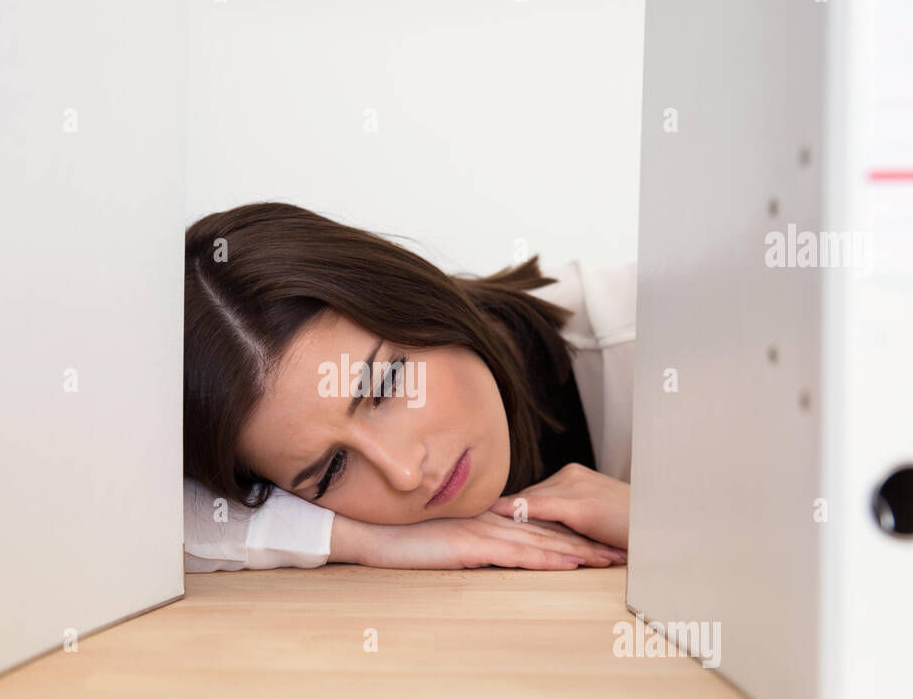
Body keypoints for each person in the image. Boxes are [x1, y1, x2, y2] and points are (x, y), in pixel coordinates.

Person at [182, 202, 635, 572]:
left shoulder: (650, 338)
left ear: (418, 299)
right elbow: (132, 530)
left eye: (386, 385)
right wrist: (364, 541)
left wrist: (670, 522)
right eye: (332, 470)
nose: (404, 473)